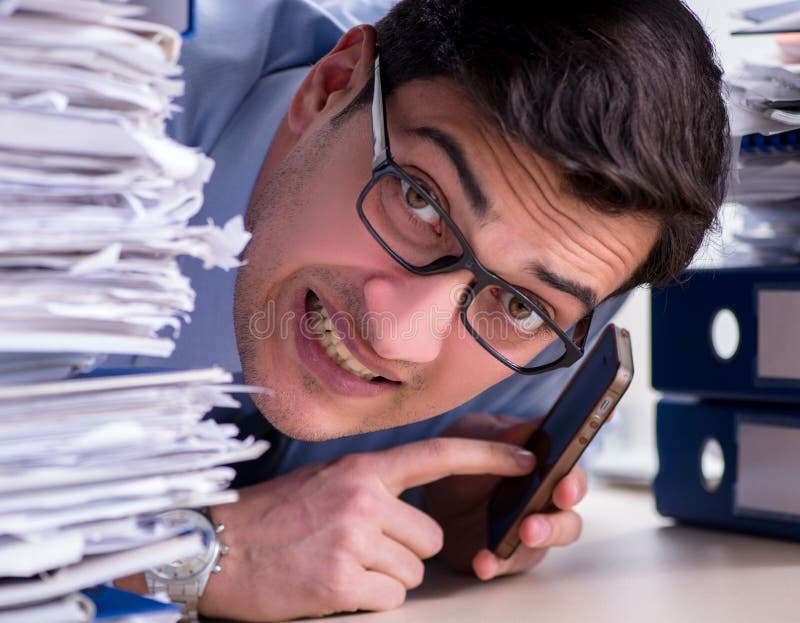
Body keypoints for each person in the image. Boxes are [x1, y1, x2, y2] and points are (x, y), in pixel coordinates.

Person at [116, 0, 729, 620]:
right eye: (420, 202)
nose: (398, 339)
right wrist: (190, 555)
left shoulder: (561, 307)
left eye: (516, 304)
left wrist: (433, 515)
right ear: (332, 87)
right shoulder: (68, 105)